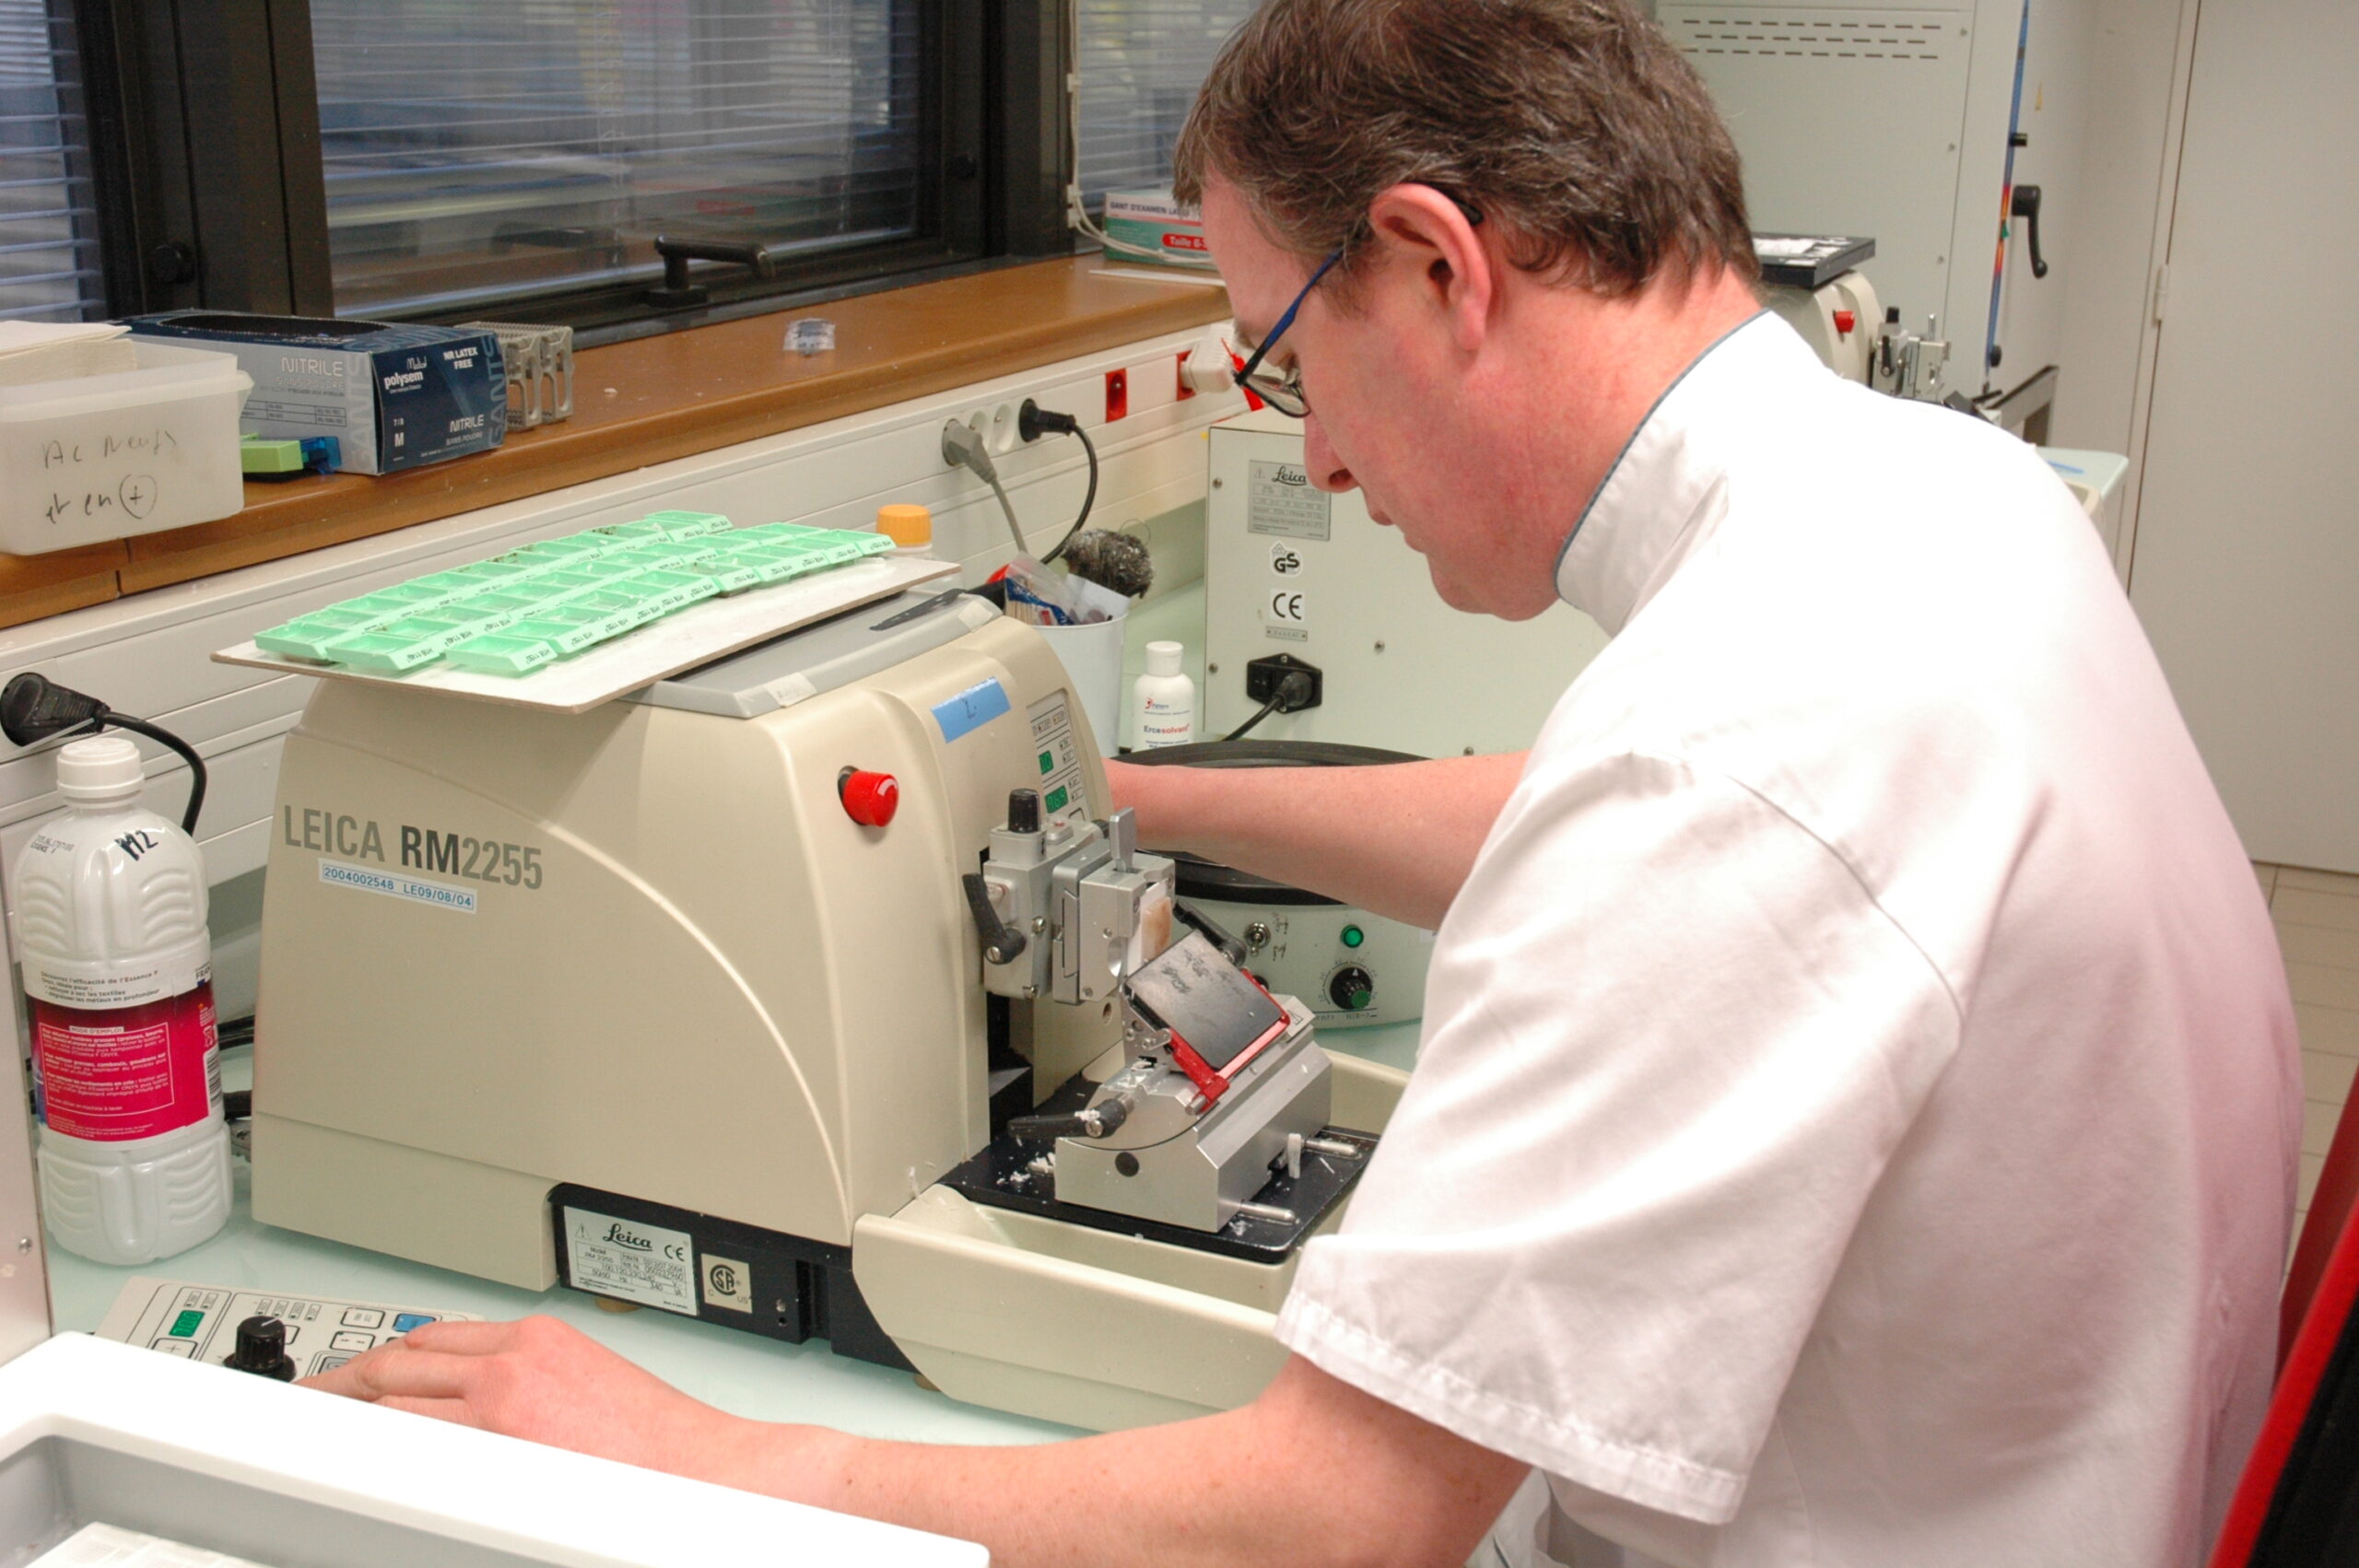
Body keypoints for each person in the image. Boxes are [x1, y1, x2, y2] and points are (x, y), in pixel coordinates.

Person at [311, 3, 2300, 1563]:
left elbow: (1334, 1518)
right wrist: (1135, 797)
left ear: (1434, 264)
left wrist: (714, 1456)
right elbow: (1600, 830)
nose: (1318, 460)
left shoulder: (1721, 760)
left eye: (1278, 360)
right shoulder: (1929, 496)